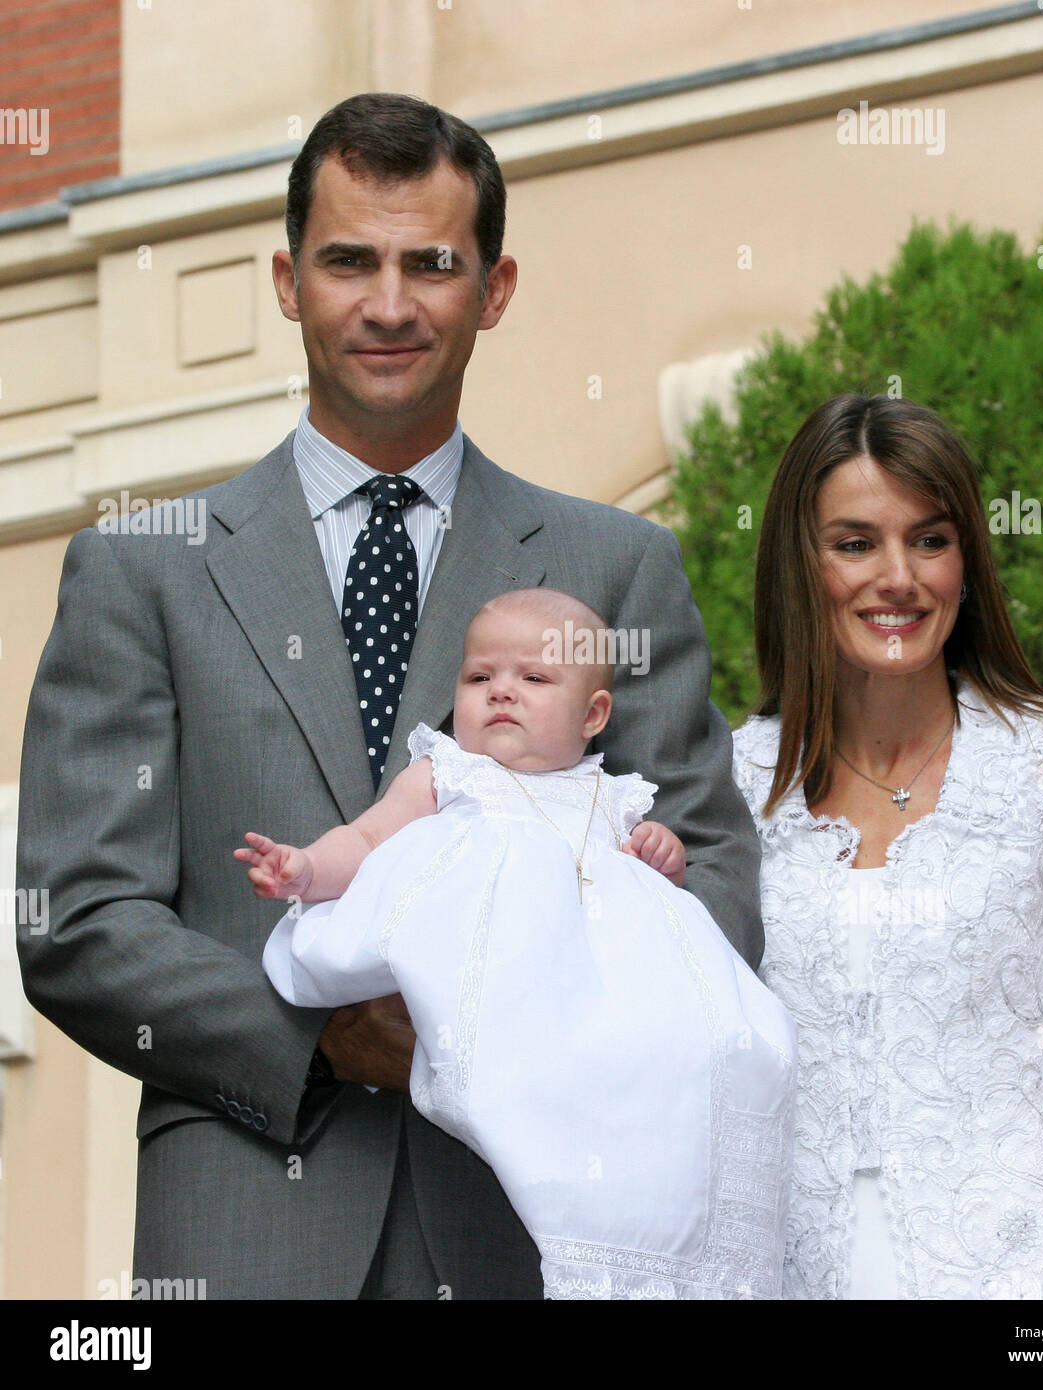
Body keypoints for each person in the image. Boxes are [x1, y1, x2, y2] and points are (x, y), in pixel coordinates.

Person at [15, 93, 764, 1300]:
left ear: (495, 288)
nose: (388, 304)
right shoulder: (141, 567)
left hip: (533, 1229)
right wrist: (323, 1035)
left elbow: (717, 886)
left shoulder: (614, 569)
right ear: (284, 278)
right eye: (348, 260)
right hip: (245, 1231)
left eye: (431, 264)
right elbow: (78, 918)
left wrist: (548, 1018)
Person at [237, 587, 797, 1300]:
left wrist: (661, 854)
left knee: (709, 1046)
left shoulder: (610, 795)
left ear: (593, 715)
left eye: (533, 678)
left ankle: (651, 1226)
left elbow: (658, 898)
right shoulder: (449, 774)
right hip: (497, 974)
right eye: (479, 679)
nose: (501, 691)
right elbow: (368, 838)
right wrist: (307, 869)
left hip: (590, 987)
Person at [731, 393, 1043, 1300]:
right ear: (799, 567)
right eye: (854, 543)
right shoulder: (731, 781)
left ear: (965, 562)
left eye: (929, 540)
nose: (897, 576)